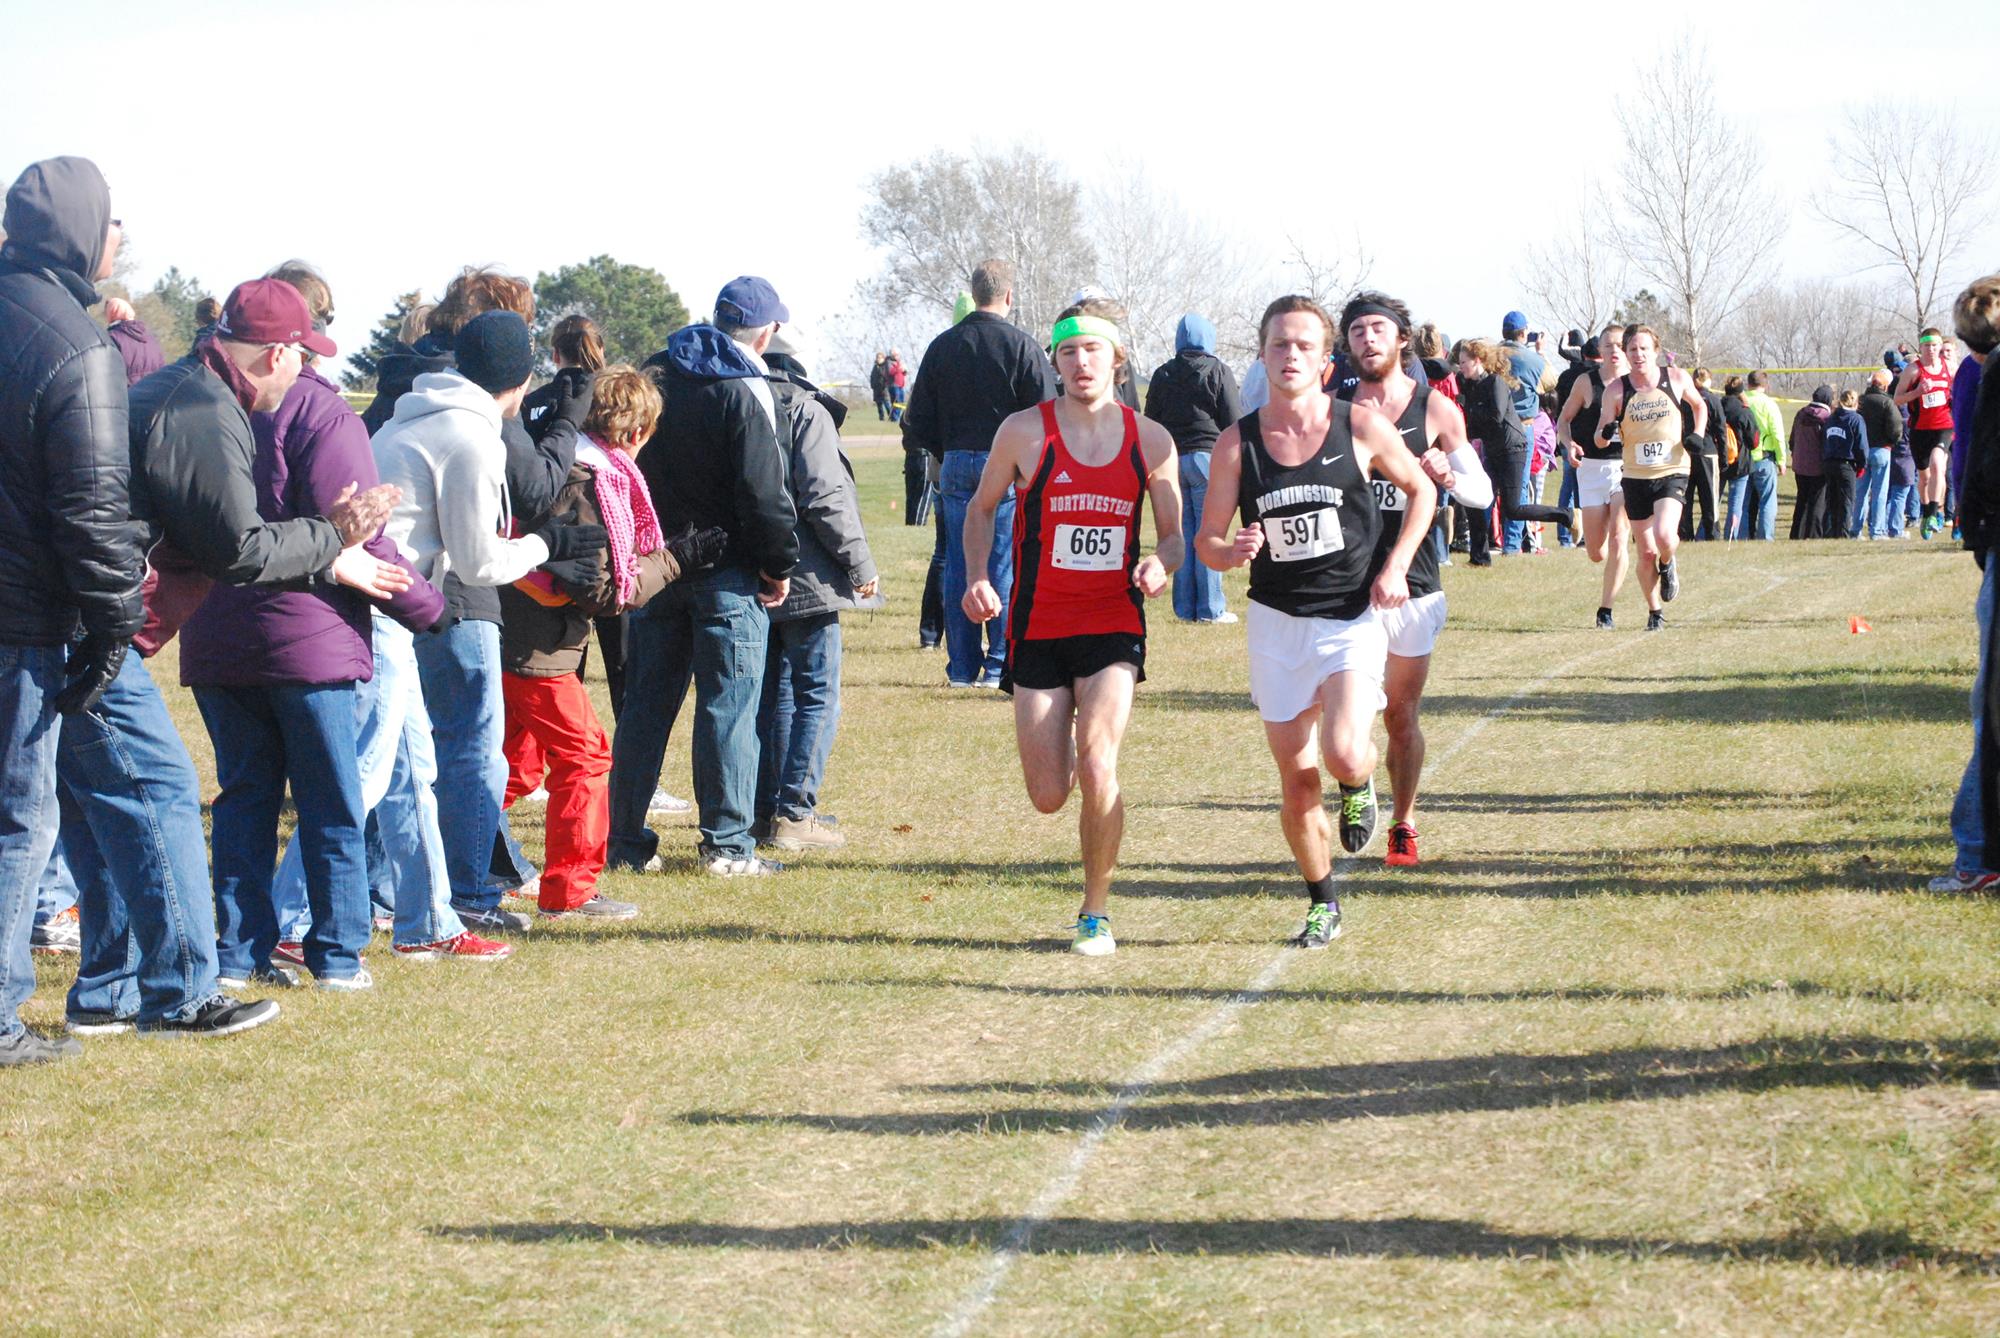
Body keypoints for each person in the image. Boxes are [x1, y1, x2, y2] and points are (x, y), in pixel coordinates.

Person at [185, 264, 446, 988]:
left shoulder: (199, 407)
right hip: (308, 642)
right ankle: (335, 953)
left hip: (218, 634)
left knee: (243, 799)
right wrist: (427, 607)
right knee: (330, 798)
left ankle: (238, 954)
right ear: (283, 351)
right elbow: (360, 528)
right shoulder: (321, 413)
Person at [1197, 296, 1436, 950]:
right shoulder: (1236, 445)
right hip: (1276, 625)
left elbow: (1423, 491)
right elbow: (1206, 543)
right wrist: (1230, 551)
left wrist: (1396, 566)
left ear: (1326, 362)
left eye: (1305, 345)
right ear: (1264, 355)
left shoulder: (1358, 427)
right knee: (1298, 781)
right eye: (1280, 345)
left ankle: (1359, 784)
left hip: (1351, 618)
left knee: (1341, 749)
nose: (1292, 355)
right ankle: (1321, 902)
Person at [374, 310, 610, 968]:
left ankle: (402, 905)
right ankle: (470, 893)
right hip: (423, 604)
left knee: (402, 770)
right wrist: (545, 544)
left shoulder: (406, 415)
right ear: (521, 378)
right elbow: (478, 563)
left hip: (387, 603)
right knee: (467, 755)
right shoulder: (474, 437)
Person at [961, 298, 1181, 954]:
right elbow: (979, 509)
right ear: (1054, 361)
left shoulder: (1152, 439)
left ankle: (1095, 911)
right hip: (1036, 627)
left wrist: (1161, 565)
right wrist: (977, 575)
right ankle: (1089, 832)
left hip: (1113, 624)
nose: (1081, 362)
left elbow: (1174, 536)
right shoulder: (1025, 431)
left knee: (1098, 758)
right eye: (1068, 351)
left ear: (1117, 359)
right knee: (1049, 794)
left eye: (1093, 350)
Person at [0, 157, 148, 1061]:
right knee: (23, 816)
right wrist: (111, 625)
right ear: (83, 232)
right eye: (114, 222)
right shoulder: (74, 345)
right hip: (21, 623)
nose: (121, 237)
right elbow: (93, 509)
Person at [501, 365, 718, 918]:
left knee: (508, 769)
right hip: (538, 650)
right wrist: (673, 560)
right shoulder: (586, 481)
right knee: (586, 756)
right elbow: (604, 591)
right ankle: (569, 891)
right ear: (635, 431)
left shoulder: (560, 459)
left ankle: (463, 869)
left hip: (514, 637)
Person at [607, 276, 798, 877]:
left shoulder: (656, 375)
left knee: (644, 709)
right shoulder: (745, 388)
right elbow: (765, 491)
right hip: (728, 572)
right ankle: (727, 844)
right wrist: (778, 564)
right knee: (728, 709)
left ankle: (622, 840)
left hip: (657, 565)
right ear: (764, 333)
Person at [1339, 293, 1491, 870]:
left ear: (1402, 338)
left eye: (1378, 329)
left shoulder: (1434, 409)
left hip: (1415, 584)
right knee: (1349, 713)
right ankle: (1357, 785)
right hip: (1348, 584)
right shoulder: (1336, 408)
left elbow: (1482, 494)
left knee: (1400, 714)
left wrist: (1448, 474)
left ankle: (1404, 822)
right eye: (1357, 331)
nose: (1367, 339)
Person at [900, 259, 1058, 688]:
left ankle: (963, 667)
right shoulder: (1022, 346)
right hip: (1003, 464)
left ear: (973, 293)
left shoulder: (942, 346)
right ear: (1009, 296)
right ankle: (999, 662)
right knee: (1002, 561)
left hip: (954, 462)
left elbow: (917, 420)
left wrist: (946, 450)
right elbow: (1047, 413)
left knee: (959, 563)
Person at [755, 334, 882, 853]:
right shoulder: (806, 410)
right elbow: (824, 495)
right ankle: (795, 814)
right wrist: (859, 562)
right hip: (809, 577)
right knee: (816, 695)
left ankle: (770, 810)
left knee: (776, 697)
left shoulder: (742, 403)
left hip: (760, 574)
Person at [1940, 286, 2000, 892]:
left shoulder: (1986, 374)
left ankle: (1979, 853)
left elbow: (1979, 463)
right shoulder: (1975, 375)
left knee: (1991, 707)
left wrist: (1976, 529)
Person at [1595, 326, 1707, 632]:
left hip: (1672, 471)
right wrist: (1605, 433)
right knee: (1645, 552)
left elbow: (1700, 405)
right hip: (1635, 476)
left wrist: (1696, 434)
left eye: (1644, 349)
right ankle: (1655, 612)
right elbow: (1600, 437)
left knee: (1664, 536)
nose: (1638, 354)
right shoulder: (1616, 391)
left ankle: (1668, 562)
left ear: (1655, 351)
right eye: (1632, 349)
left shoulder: (1676, 378)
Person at [1144, 312, 1242, 624]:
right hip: (1206, 459)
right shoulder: (1218, 371)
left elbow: (1151, 421)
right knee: (1209, 534)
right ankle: (1211, 609)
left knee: (1181, 536)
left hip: (1171, 461)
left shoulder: (1162, 374)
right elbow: (1234, 419)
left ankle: (1185, 609)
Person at [1455, 339, 1568, 564]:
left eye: (1464, 362)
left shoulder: (1495, 382)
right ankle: (1479, 558)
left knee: (1514, 508)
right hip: (1492, 448)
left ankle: (1563, 514)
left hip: (1513, 449)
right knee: (1479, 500)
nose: (1461, 367)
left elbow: (1495, 417)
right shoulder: (1469, 384)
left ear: (1477, 361)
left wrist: (1468, 426)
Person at [1559, 323, 1631, 622]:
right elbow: (1563, 420)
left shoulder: (1637, 384)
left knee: (1618, 537)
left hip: (1626, 468)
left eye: (1619, 345)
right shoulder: (1586, 382)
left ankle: (1606, 610)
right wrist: (1568, 444)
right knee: (1595, 552)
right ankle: (1577, 523)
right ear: (1598, 350)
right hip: (1590, 469)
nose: (1614, 350)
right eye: (1608, 345)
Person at [1896, 328, 1955, 538]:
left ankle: (1933, 513)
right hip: (1920, 429)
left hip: (1944, 426)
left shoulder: (1949, 368)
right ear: (1921, 347)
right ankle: (1926, 511)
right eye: (1927, 346)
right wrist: (1918, 392)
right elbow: (1897, 399)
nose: (1931, 350)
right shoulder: (1913, 370)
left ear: (1940, 347)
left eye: (1935, 345)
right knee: (1924, 477)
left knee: (1938, 464)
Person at [1496, 311, 1547, 553]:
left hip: (1495, 425)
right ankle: (1513, 544)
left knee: (1491, 484)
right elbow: (1551, 383)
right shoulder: (1533, 360)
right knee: (1520, 485)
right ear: (1524, 332)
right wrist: (1539, 352)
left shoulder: (1493, 356)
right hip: (1523, 425)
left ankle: (1483, 541)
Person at [1741, 371, 1790, 540]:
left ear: (1748, 384)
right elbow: (1777, 434)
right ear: (1765, 385)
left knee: (1743, 502)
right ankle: (1765, 537)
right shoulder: (1769, 404)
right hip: (1763, 458)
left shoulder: (1740, 401)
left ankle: (1741, 536)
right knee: (1767, 501)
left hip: (1742, 459)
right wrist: (1782, 460)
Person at [1856, 368, 1904, 539]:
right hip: (1881, 450)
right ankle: (1876, 530)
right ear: (1885, 386)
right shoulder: (1887, 402)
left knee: (1860, 492)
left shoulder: (1861, 402)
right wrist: (1891, 441)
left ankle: (1855, 530)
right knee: (1879, 493)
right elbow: (1896, 428)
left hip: (1862, 451)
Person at [1683, 368, 1726, 541]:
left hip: (1686, 452)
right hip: (1707, 451)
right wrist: (1723, 457)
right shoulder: (1714, 400)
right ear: (1708, 380)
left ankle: (1685, 533)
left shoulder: (1684, 399)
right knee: (1710, 496)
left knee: (1686, 496)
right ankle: (1712, 533)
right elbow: (1721, 430)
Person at [1821, 388, 1869, 540]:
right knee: (1847, 501)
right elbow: (1861, 445)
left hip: (1829, 462)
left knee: (1831, 500)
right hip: (1846, 464)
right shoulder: (1856, 419)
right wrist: (1862, 464)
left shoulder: (1831, 418)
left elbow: (1824, 439)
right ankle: (1843, 533)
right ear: (1855, 403)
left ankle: (1829, 532)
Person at [1721, 376, 1762, 539]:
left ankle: (1706, 534)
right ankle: (1730, 536)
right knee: (1736, 503)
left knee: (1712, 501)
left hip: (1718, 461)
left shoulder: (1716, 406)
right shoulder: (1744, 411)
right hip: (1740, 462)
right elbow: (1754, 441)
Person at [1788, 388, 1832, 540]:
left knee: (1801, 500)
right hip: (1818, 466)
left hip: (1800, 465)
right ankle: (1813, 534)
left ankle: (1796, 533)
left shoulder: (1801, 413)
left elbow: (1792, 440)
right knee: (1817, 502)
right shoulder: (1827, 417)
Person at [101, 295, 163, 385]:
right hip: (155, 393)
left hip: (128, 395)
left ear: (111, 313)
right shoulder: (151, 338)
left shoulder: (111, 337)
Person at [870, 352, 891, 422]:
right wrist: (872, 385)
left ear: (883, 358)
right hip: (876, 389)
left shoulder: (886, 365)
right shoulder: (875, 366)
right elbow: (872, 377)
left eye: (880, 358)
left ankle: (891, 417)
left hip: (884, 388)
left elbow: (887, 376)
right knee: (879, 405)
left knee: (886, 403)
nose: (878, 359)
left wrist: (885, 384)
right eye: (877, 358)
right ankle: (881, 418)